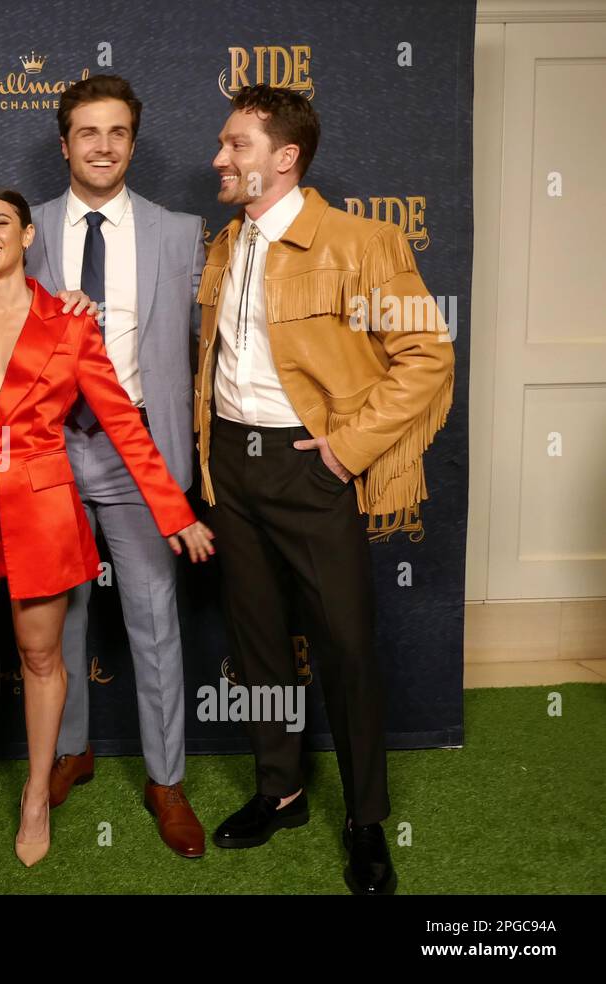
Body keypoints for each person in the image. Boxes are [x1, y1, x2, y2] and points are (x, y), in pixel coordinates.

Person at [0, 188, 215, 868]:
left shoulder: (70, 324)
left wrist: (174, 511)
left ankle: (36, 798)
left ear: (27, 238)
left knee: (43, 661)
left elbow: (125, 424)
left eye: (1, 223)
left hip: (41, 511)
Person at [197, 84, 454, 894]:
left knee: (344, 647)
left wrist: (346, 452)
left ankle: (367, 820)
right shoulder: (224, 244)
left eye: (236, 145)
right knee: (259, 642)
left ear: (284, 158)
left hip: (312, 466)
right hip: (231, 465)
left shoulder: (358, 243)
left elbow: (426, 355)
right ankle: (282, 790)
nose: (219, 158)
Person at [25, 74, 208, 857]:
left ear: (133, 142)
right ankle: (71, 750)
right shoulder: (23, 229)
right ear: (64, 143)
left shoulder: (179, 230)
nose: (103, 146)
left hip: (143, 457)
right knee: (58, 622)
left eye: (118, 133)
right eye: (88, 133)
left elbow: (208, 350)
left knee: (155, 624)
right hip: (51, 454)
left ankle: (166, 779)